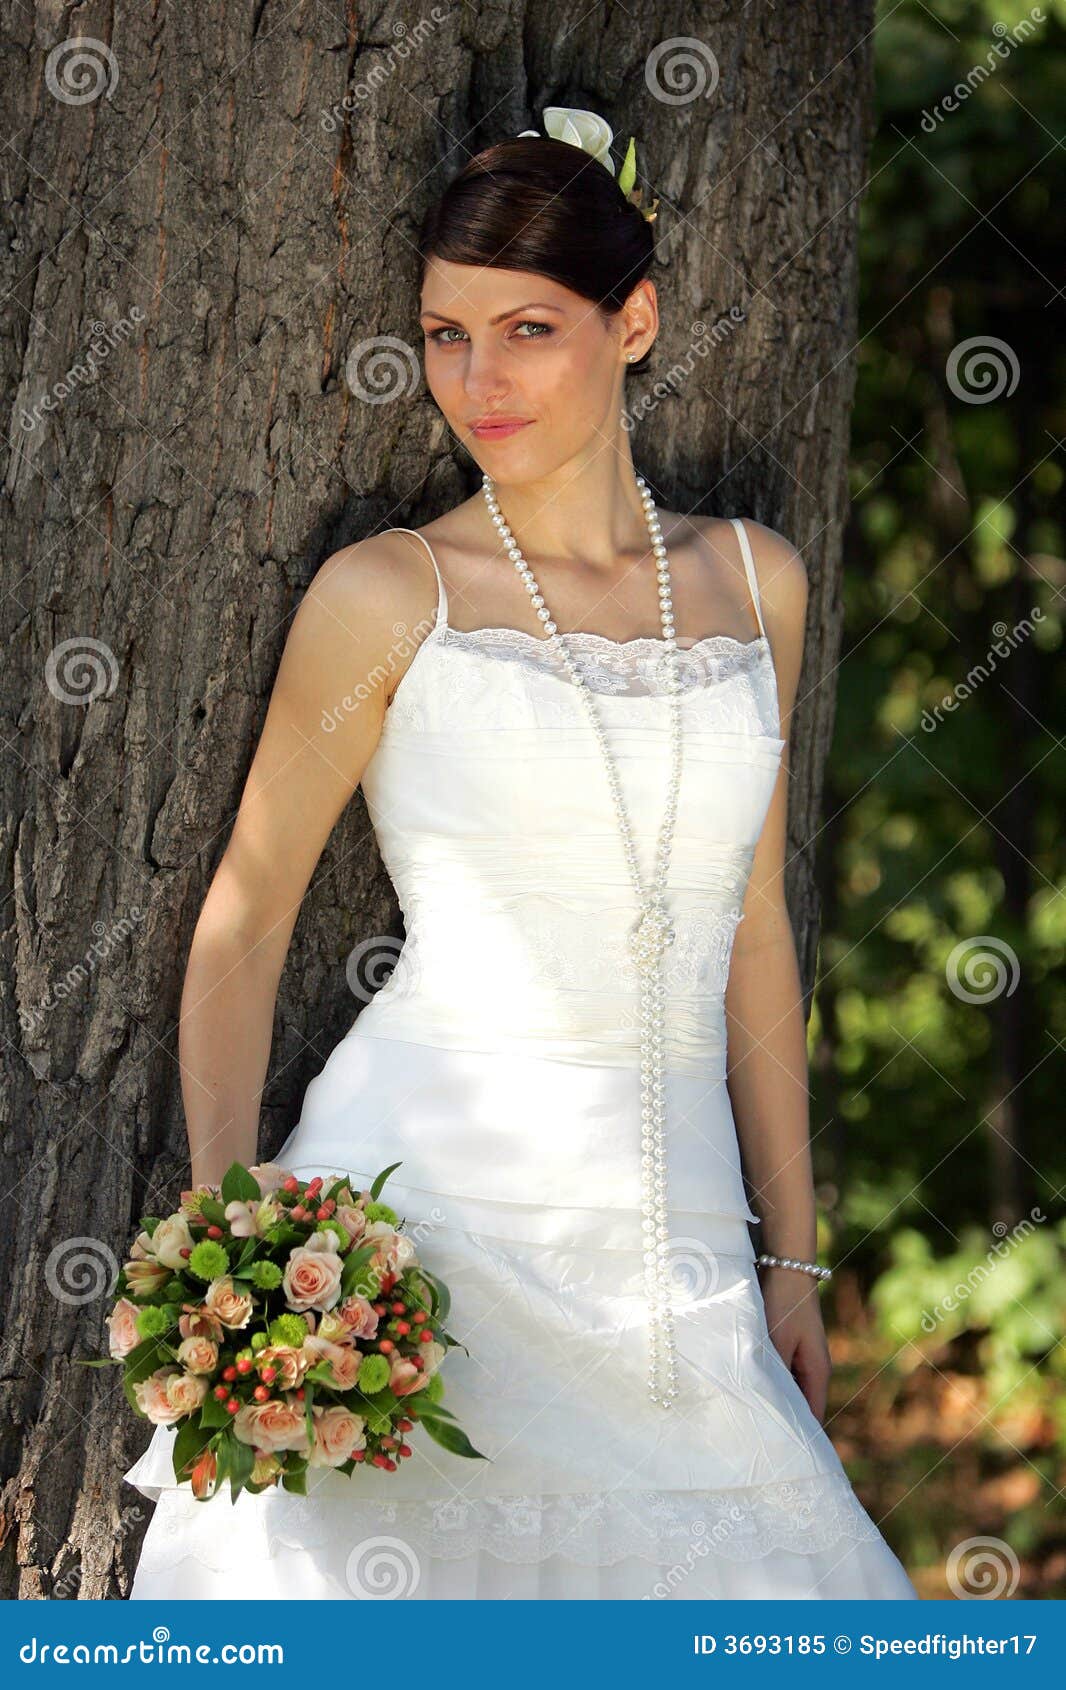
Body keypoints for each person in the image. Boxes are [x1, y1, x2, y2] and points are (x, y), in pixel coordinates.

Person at [124, 111, 919, 1601]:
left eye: (526, 330)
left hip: (676, 1256)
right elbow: (246, 917)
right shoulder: (387, 590)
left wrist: (792, 1264)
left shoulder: (757, 581)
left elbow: (752, 934)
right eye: (441, 333)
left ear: (635, 321)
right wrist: (230, 1249)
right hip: (427, 1227)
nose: (475, 381)